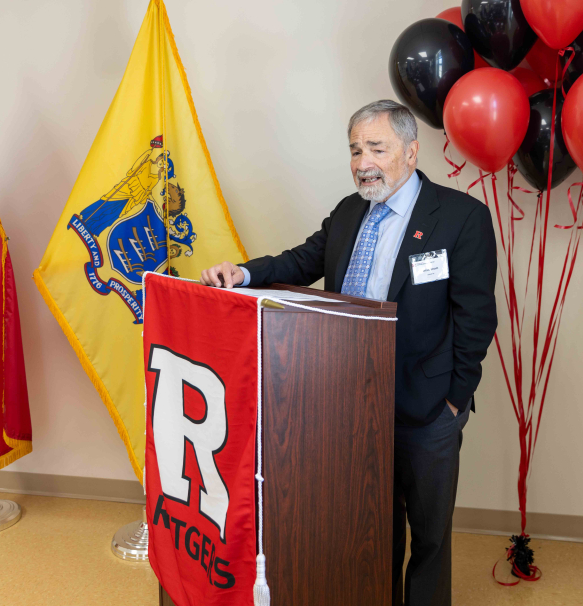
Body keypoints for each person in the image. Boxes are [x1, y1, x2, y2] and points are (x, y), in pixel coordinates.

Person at [200, 100, 497, 606]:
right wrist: (244, 273)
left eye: (377, 148)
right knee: (369, 529)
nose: (364, 162)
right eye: (356, 150)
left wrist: (455, 399)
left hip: (427, 410)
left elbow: (476, 316)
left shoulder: (461, 217)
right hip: (349, 407)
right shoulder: (347, 211)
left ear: (410, 151)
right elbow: (301, 259)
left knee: (429, 536)